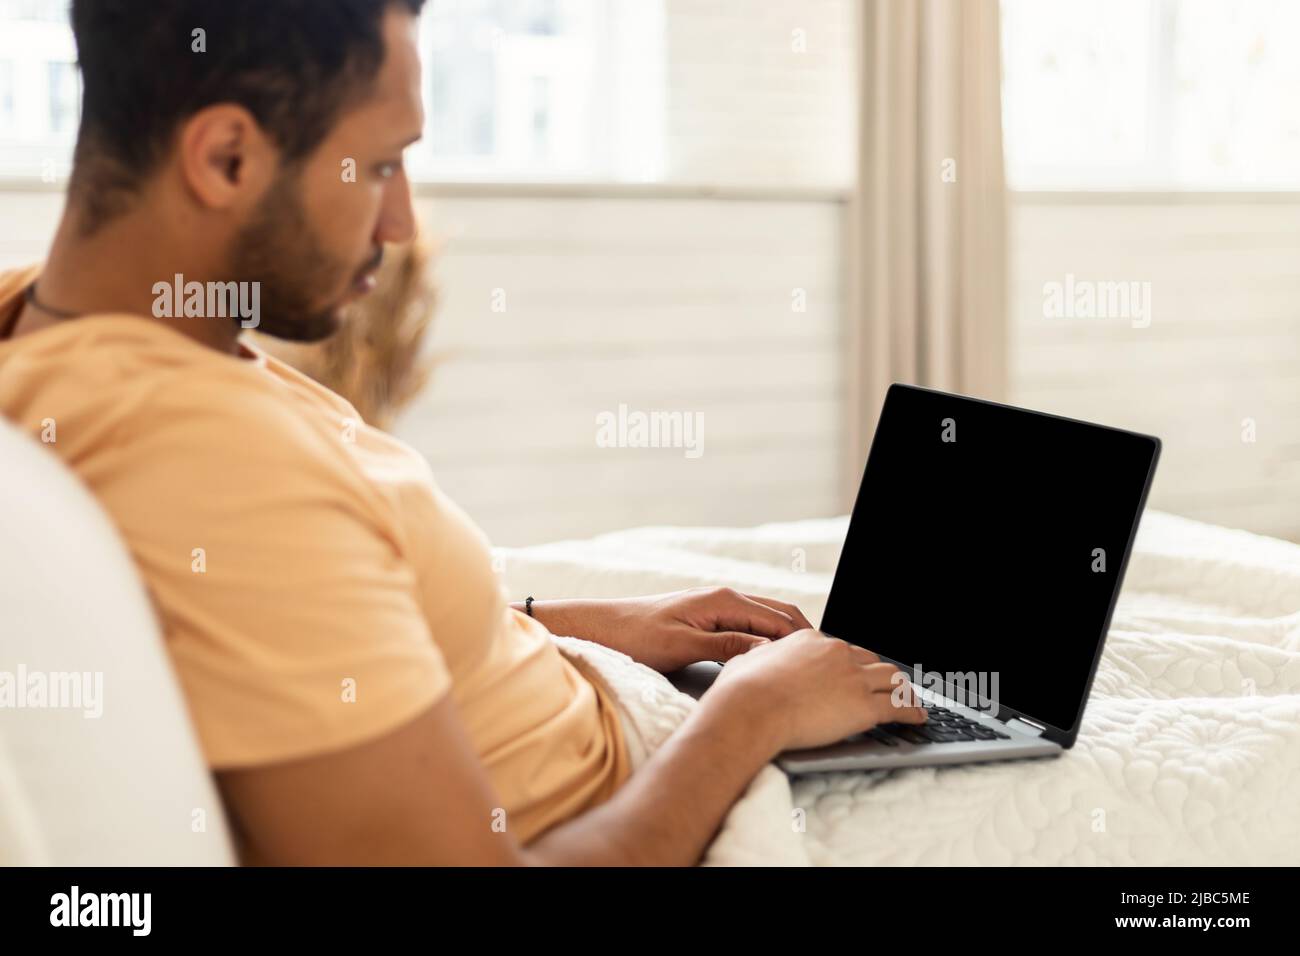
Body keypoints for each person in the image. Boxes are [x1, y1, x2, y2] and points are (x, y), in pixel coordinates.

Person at [0, 0, 926, 865]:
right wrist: (755, 714)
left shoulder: (54, 323)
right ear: (227, 158)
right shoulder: (202, 454)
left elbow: (325, 626)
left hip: (605, 701)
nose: (399, 223)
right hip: (672, 798)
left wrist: (558, 625)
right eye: (380, 165)